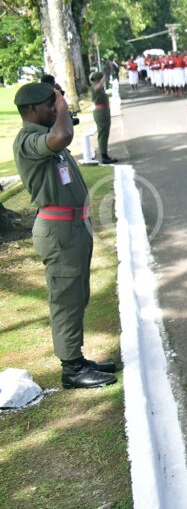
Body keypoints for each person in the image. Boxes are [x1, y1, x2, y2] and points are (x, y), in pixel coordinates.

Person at [13, 83, 118, 389]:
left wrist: (58, 107)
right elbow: (62, 135)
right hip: (58, 231)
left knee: (76, 295)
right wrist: (61, 105)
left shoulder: (44, 138)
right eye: (49, 105)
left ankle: (77, 357)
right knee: (65, 300)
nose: (56, 109)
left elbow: (61, 136)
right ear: (33, 110)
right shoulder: (29, 139)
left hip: (72, 228)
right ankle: (71, 369)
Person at [89, 71, 117, 164]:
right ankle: (104, 156)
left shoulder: (99, 88)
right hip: (101, 112)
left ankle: (105, 154)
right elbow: (98, 87)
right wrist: (103, 78)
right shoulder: (95, 87)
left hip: (104, 111)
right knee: (103, 134)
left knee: (104, 134)